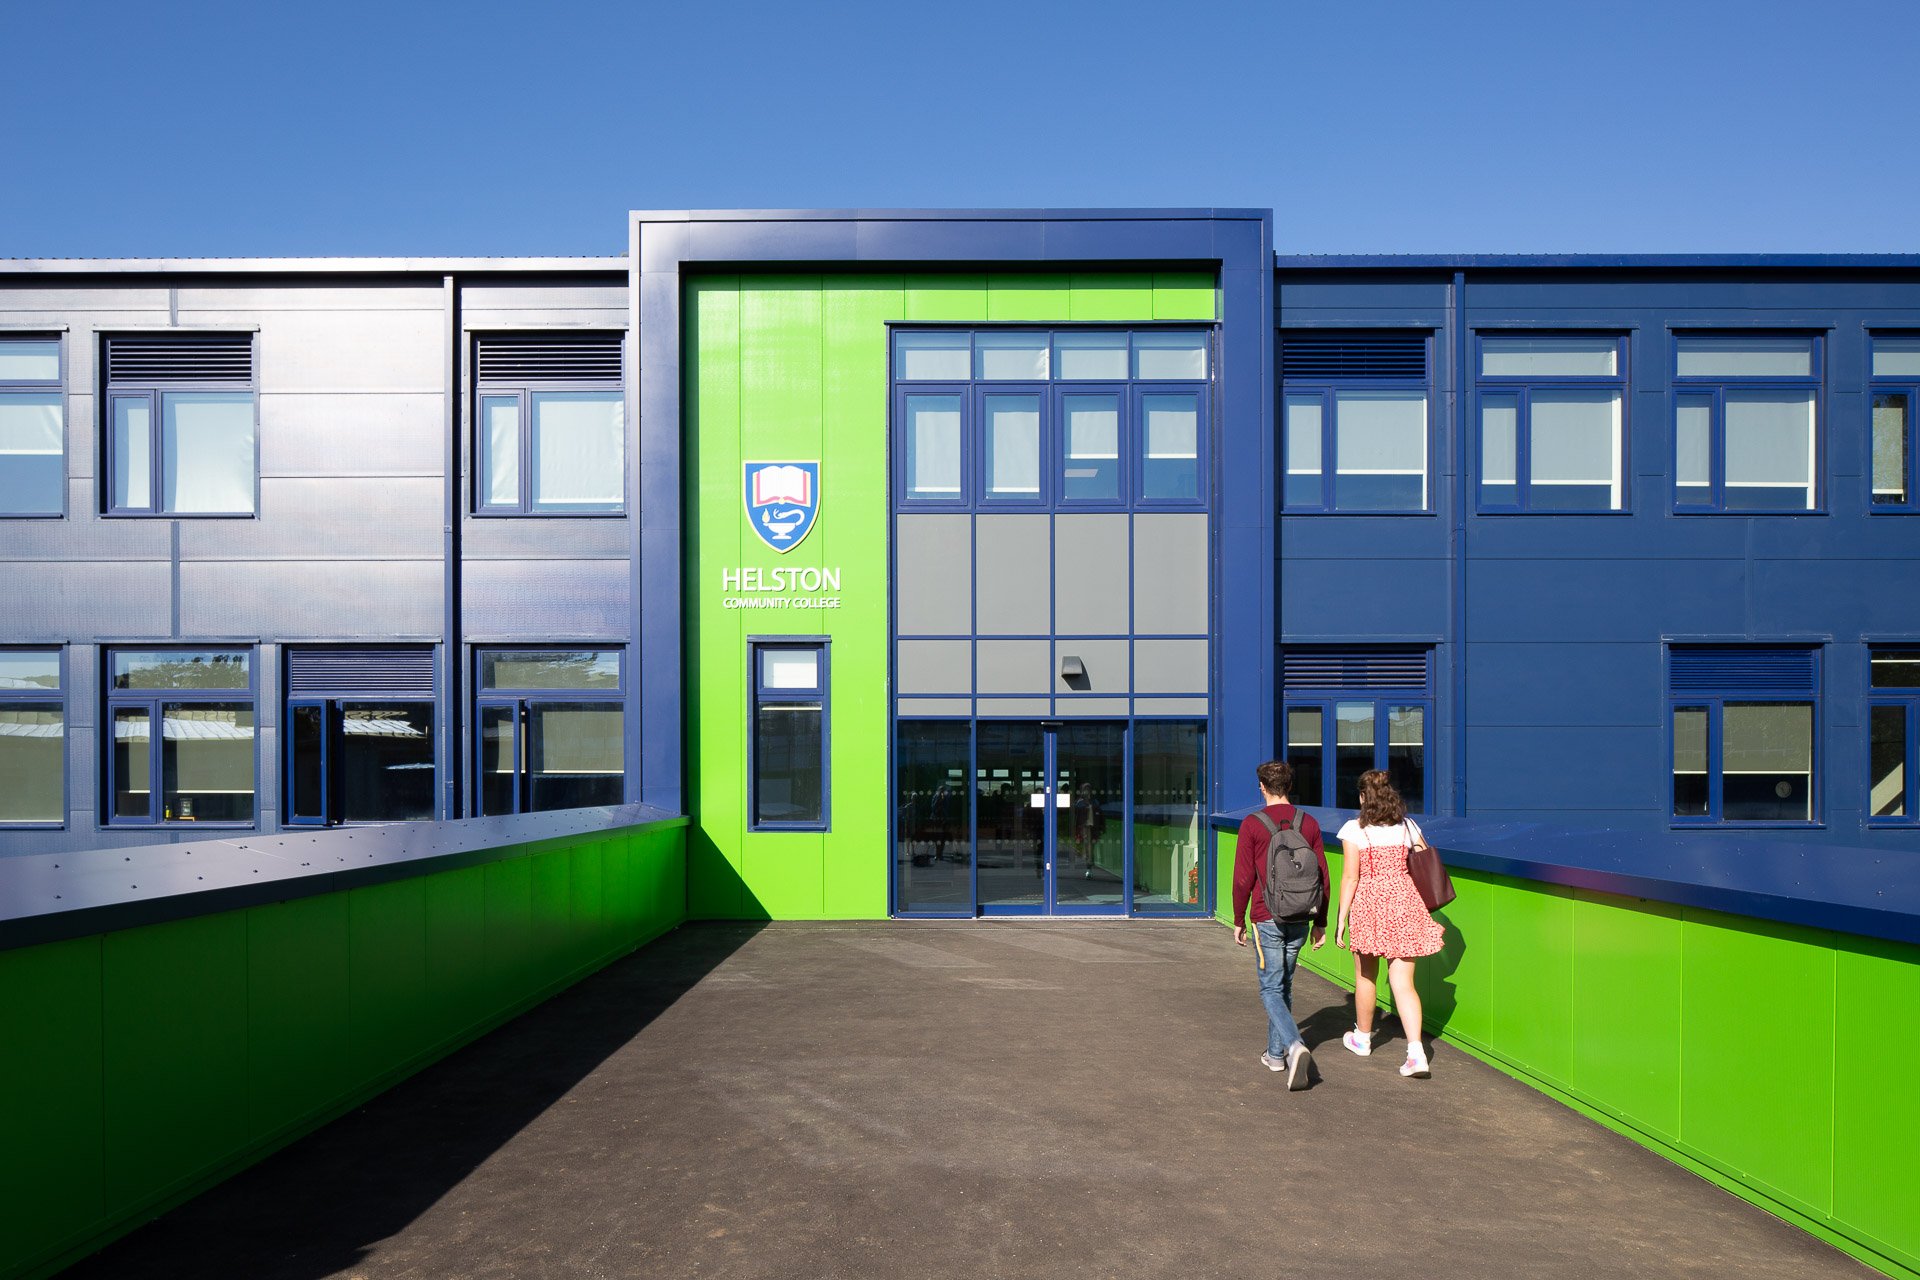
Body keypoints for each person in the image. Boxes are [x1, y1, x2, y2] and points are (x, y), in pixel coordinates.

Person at [1334, 770, 1444, 1078]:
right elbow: (1423, 857)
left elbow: (1351, 876)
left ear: (1362, 798)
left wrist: (1341, 919)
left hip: (1370, 903)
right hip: (1404, 901)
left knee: (1366, 975)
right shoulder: (1407, 826)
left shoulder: (1354, 830)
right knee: (1404, 983)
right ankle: (1416, 1052)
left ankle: (1363, 1038)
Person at [1232, 759, 1329, 1091]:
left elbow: (1243, 876)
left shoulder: (1253, 824)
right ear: (1290, 785)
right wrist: (1322, 921)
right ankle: (1275, 1056)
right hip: (1302, 914)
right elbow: (1323, 876)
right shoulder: (1309, 822)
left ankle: (1293, 1044)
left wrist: (1238, 918)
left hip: (1267, 914)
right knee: (1284, 984)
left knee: (1271, 988)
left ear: (1261, 787)